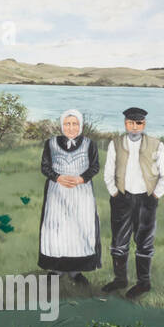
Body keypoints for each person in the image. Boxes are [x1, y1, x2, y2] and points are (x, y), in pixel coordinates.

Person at [101, 106, 164, 299]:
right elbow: (108, 173)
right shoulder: (115, 144)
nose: (134, 127)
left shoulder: (156, 144)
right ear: (125, 123)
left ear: (144, 124)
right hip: (122, 198)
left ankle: (144, 283)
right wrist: (115, 193)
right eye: (130, 123)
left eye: (138, 123)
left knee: (145, 242)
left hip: (146, 199)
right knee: (118, 242)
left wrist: (155, 195)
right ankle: (120, 280)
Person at [38, 110, 101, 286]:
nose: (71, 128)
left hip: (81, 192)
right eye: (67, 124)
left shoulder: (89, 144)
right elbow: (44, 167)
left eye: (75, 124)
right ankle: (56, 268)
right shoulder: (51, 144)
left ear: (80, 126)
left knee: (79, 229)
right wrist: (57, 177)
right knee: (56, 228)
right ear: (61, 126)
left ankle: (76, 270)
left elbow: (95, 167)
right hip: (57, 192)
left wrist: (81, 178)